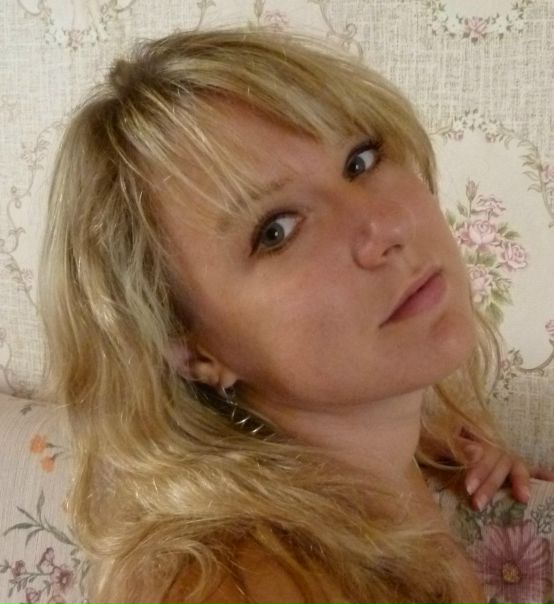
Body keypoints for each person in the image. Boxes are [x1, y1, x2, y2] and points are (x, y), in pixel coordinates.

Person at [39, 29, 551, 604]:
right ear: (190, 349)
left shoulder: (382, 454)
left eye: (360, 160)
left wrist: (443, 453)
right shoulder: (232, 584)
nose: (385, 227)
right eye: (277, 231)